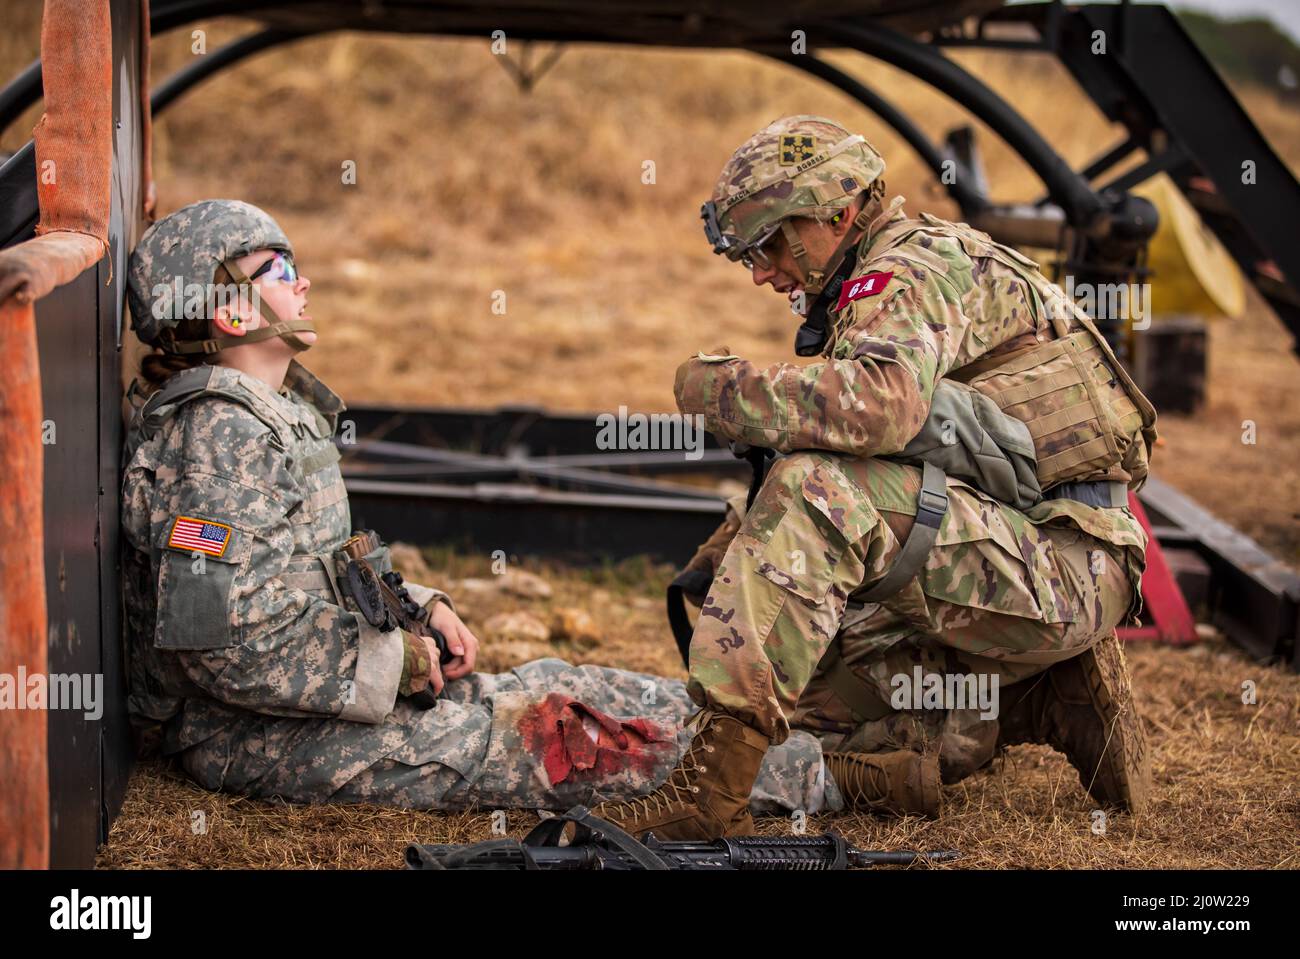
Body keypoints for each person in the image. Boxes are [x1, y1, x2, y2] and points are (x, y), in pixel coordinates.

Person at [120, 198, 896, 817]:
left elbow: (312, 569)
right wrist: (400, 662)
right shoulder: (215, 436)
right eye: (279, 265)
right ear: (226, 309)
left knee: (571, 677)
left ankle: (794, 726)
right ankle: (842, 778)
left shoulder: (267, 412)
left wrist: (419, 608)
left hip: (315, 698)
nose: (304, 279)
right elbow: (224, 648)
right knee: (552, 740)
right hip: (249, 731)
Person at [592, 115, 1157, 840]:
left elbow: (879, 410)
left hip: (1066, 561)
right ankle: (1032, 697)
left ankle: (705, 800)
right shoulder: (877, 280)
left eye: (768, 244)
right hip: (1020, 546)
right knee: (810, 707)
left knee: (814, 493)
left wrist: (724, 392)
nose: (763, 272)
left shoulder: (912, 269)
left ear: (835, 211)